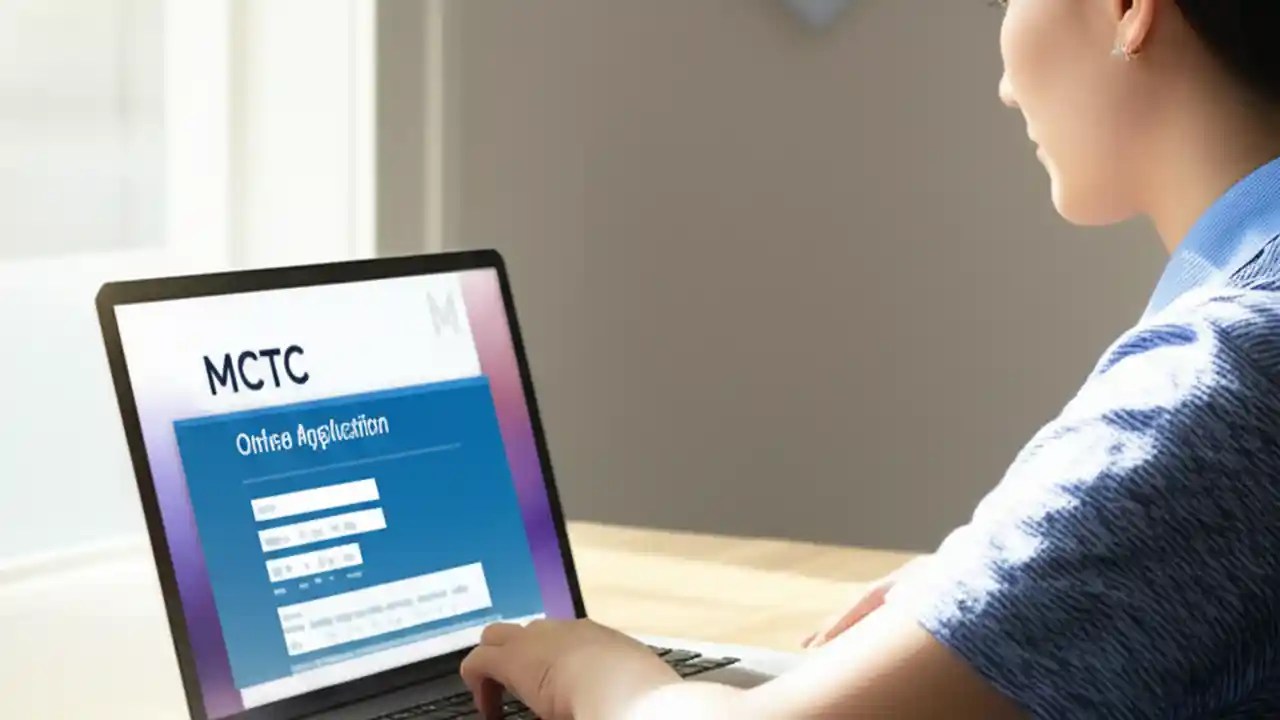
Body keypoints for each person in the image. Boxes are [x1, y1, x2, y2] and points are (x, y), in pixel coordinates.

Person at [461, 0, 1280, 717]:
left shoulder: (1219, 384)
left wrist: (597, 673)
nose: (1002, 83)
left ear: (1129, 6)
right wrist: (1015, 602)